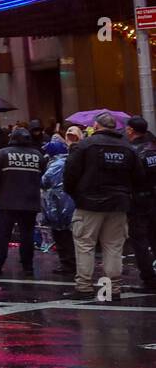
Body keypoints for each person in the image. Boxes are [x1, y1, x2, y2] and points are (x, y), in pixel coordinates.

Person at [63, 111, 141, 299]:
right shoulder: (127, 148)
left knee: (85, 245)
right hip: (118, 204)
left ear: (96, 127)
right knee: (113, 247)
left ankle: (84, 287)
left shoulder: (85, 145)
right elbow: (138, 177)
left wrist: (77, 195)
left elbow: (70, 174)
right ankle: (112, 289)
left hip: (89, 204)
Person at [0, 127, 45, 275]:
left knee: (3, 235)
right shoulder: (37, 155)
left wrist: (0, 191)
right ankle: (28, 267)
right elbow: (43, 175)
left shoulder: (3, 153)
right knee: (27, 236)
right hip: (30, 201)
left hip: (8, 201)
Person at [125, 116, 156, 290]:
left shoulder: (132, 151)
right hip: (153, 196)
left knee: (140, 240)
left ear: (130, 130)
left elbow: (129, 176)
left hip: (138, 199)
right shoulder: (153, 146)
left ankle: (149, 278)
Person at [41, 140, 76, 275]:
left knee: (61, 234)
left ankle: (68, 264)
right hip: (69, 201)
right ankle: (71, 263)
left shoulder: (56, 164)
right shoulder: (70, 161)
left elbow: (44, 181)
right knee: (69, 234)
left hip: (58, 203)